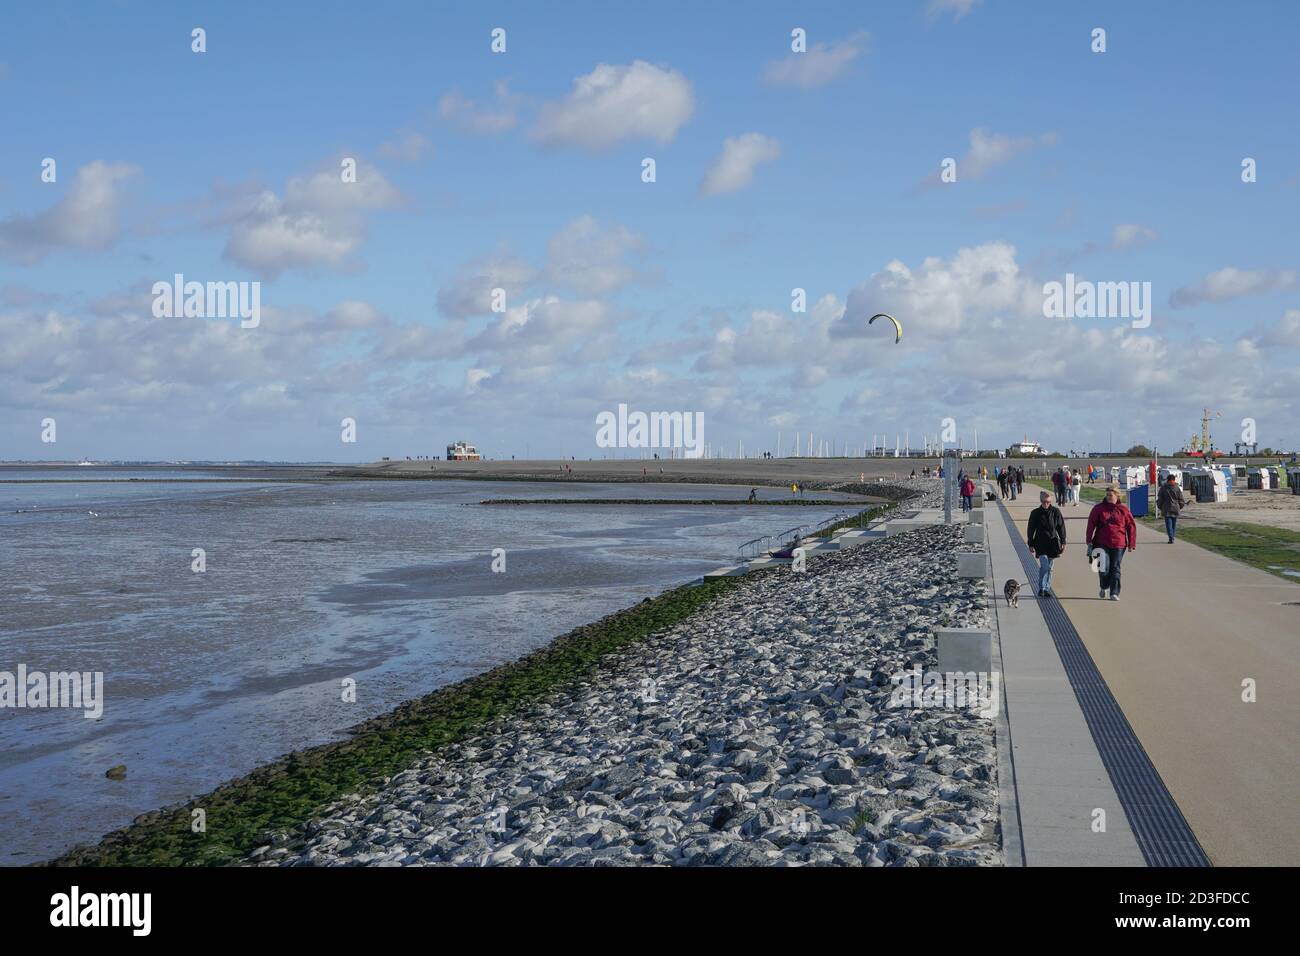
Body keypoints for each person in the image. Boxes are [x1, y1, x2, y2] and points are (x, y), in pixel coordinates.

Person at [1086, 486, 1137, 601]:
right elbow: (1091, 524)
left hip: (1119, 543)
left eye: (1111, 495)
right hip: (1101, 542)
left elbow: (1131, 526)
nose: (1108, 497)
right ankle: (1104, 586)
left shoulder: (1123, 510)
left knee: (1115, 568)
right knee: (1103, 567)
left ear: (1117, 496)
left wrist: (1131, 543)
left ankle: (1114, 592)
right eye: (1107, 495)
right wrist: (1089, 540)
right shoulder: (1098, 509)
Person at [1027, 491, 1067, 596]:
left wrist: (1063, 541)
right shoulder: (1035, 513)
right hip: (1040, 543)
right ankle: (1041, 588)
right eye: (1044, 502)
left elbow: (1061, 527)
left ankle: (1046, 588)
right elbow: (1031, 529)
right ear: (1041, 501)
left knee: (1050, 567)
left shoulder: (1056, 511)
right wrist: (1030, 543)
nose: (1046, 504)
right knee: (1044, 565)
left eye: (1048, 502)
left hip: (1053, 543)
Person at [1156, 473, 1187, 543]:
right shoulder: (1175, 488)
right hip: (1169, 509)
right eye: (1171, 481)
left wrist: (1160, 506)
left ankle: (1171, 537)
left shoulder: (1165, 488)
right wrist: (1180, 506)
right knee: (1170, 525)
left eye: (1173, 480)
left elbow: (1181, 499)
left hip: (1171, 508)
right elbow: (1181, 500)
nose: (1172, 482)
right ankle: (1171, 537)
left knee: (1172, 525)